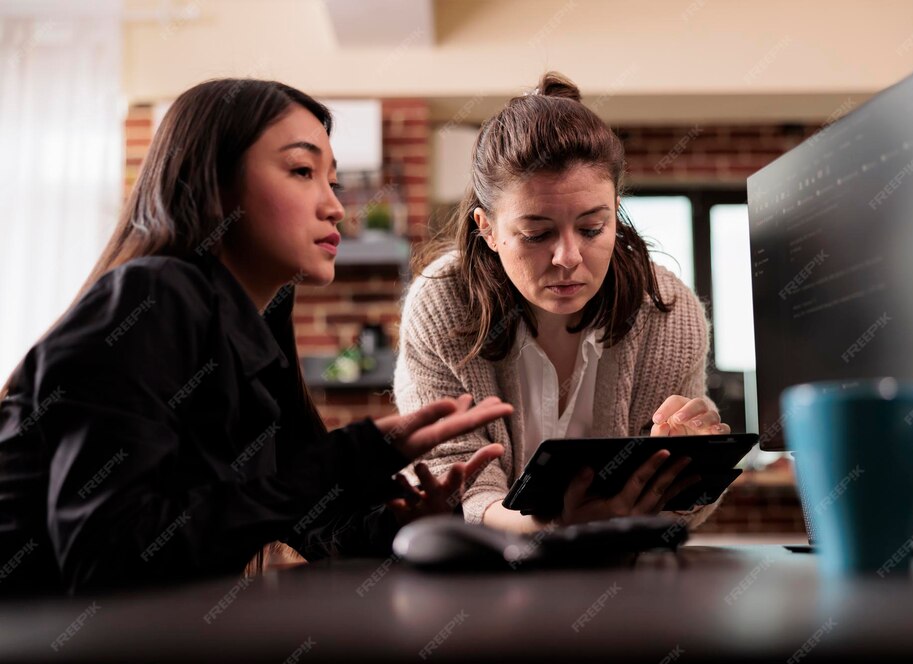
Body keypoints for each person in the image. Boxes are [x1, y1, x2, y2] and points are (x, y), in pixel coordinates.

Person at [0, 78, 511, 595]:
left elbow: (298, 525)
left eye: (332, 181)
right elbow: (108, 564)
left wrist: (400, 524)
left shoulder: (249, 330)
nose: (335, 206)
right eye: (302, 171)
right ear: (214, 183)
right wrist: (349, 457)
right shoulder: (153, 296)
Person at [394, 72, 731, 533]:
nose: (568, 257)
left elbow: (673, 512)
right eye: (537, 234)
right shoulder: (442, 304)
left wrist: (692, 459)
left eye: (592, 228)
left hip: (624, 568)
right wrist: (554, 526)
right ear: (487, 229)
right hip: (481, 569)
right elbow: (450, 476)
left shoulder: (667, 310)